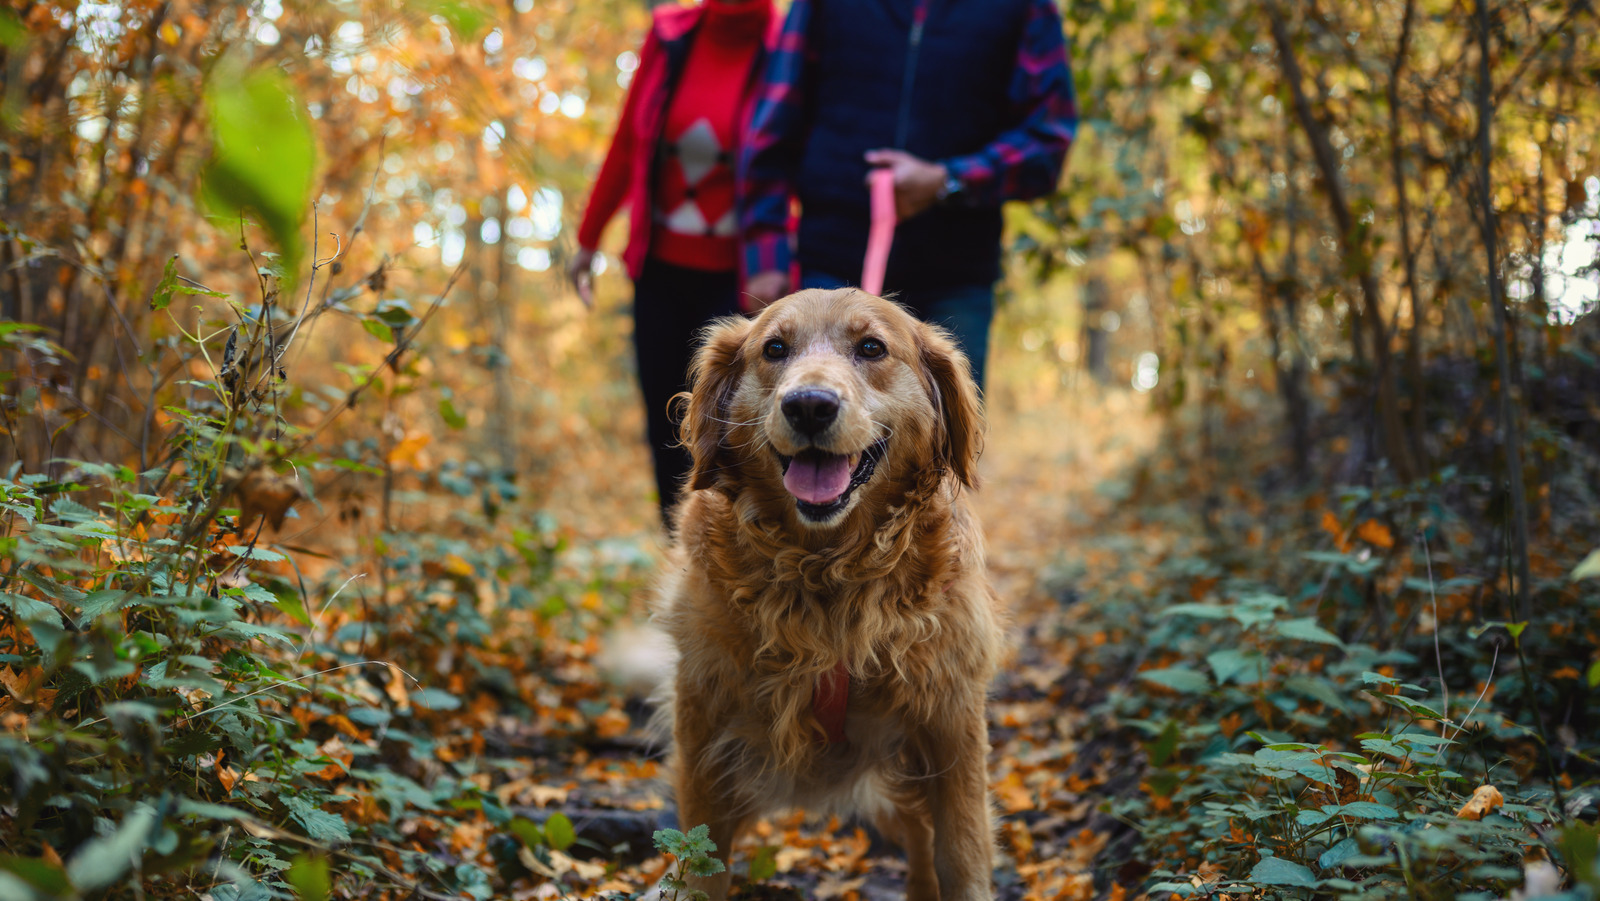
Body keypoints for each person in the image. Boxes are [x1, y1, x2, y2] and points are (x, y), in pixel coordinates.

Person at [739, 0, 1078, 389]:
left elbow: (1049, 139)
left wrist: (947, 180)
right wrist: (766, 257)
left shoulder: (1025, 8)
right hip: (828, 273)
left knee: (944, 441)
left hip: (954, 286)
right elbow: (772, 128)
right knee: (820, 424)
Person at [569, 0, 778, 527]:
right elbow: (626, 143)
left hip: (741, 282)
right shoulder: (670, 35)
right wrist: (589, 237)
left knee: (733, 432)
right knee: (667, 429)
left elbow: (788, 164)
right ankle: (684, 562)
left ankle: (744, 559)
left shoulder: (786, 47)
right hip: (659, 273)